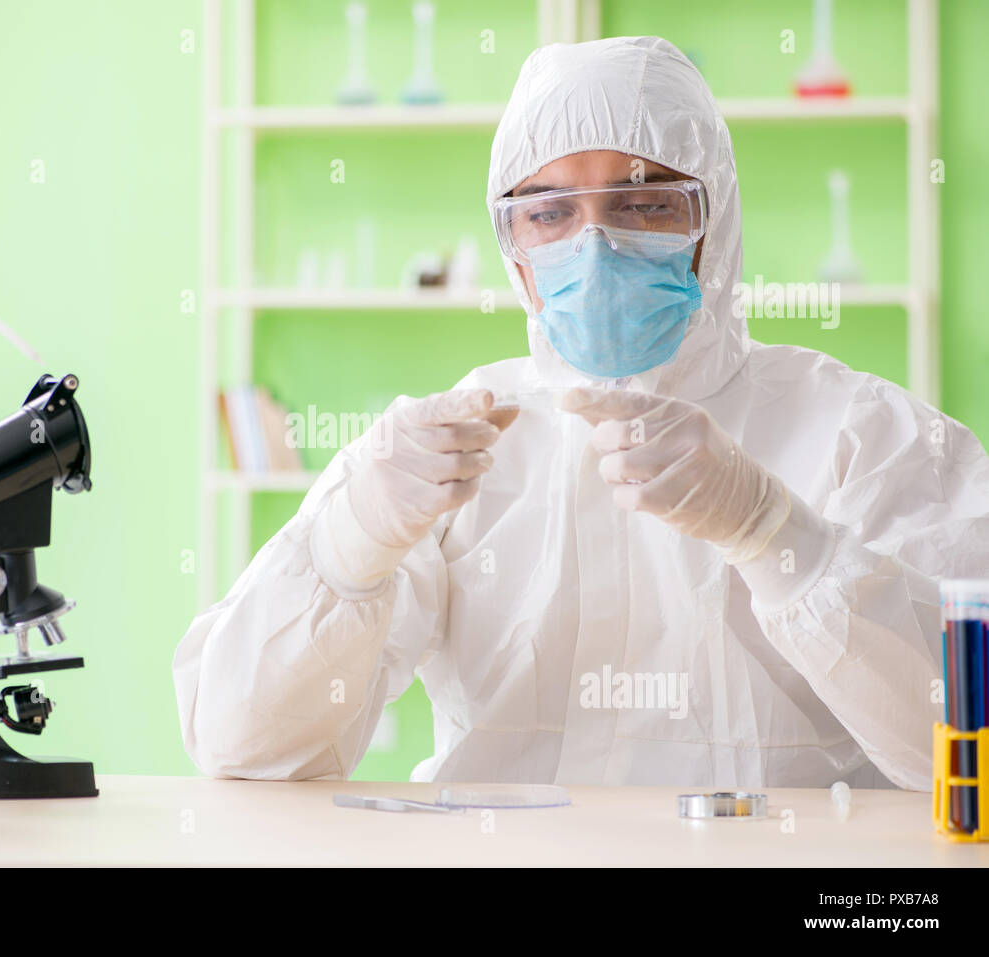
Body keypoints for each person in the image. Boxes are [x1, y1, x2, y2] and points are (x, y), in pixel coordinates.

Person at [173, 36, 989, 790]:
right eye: (550, 213)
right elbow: (238, 747)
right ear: (514, 250)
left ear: (716, 220)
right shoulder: (450, 449)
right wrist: (351, 545)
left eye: (642, 204)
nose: (593, 247)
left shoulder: (862, 435)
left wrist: (780, 536)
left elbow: (973, 743)